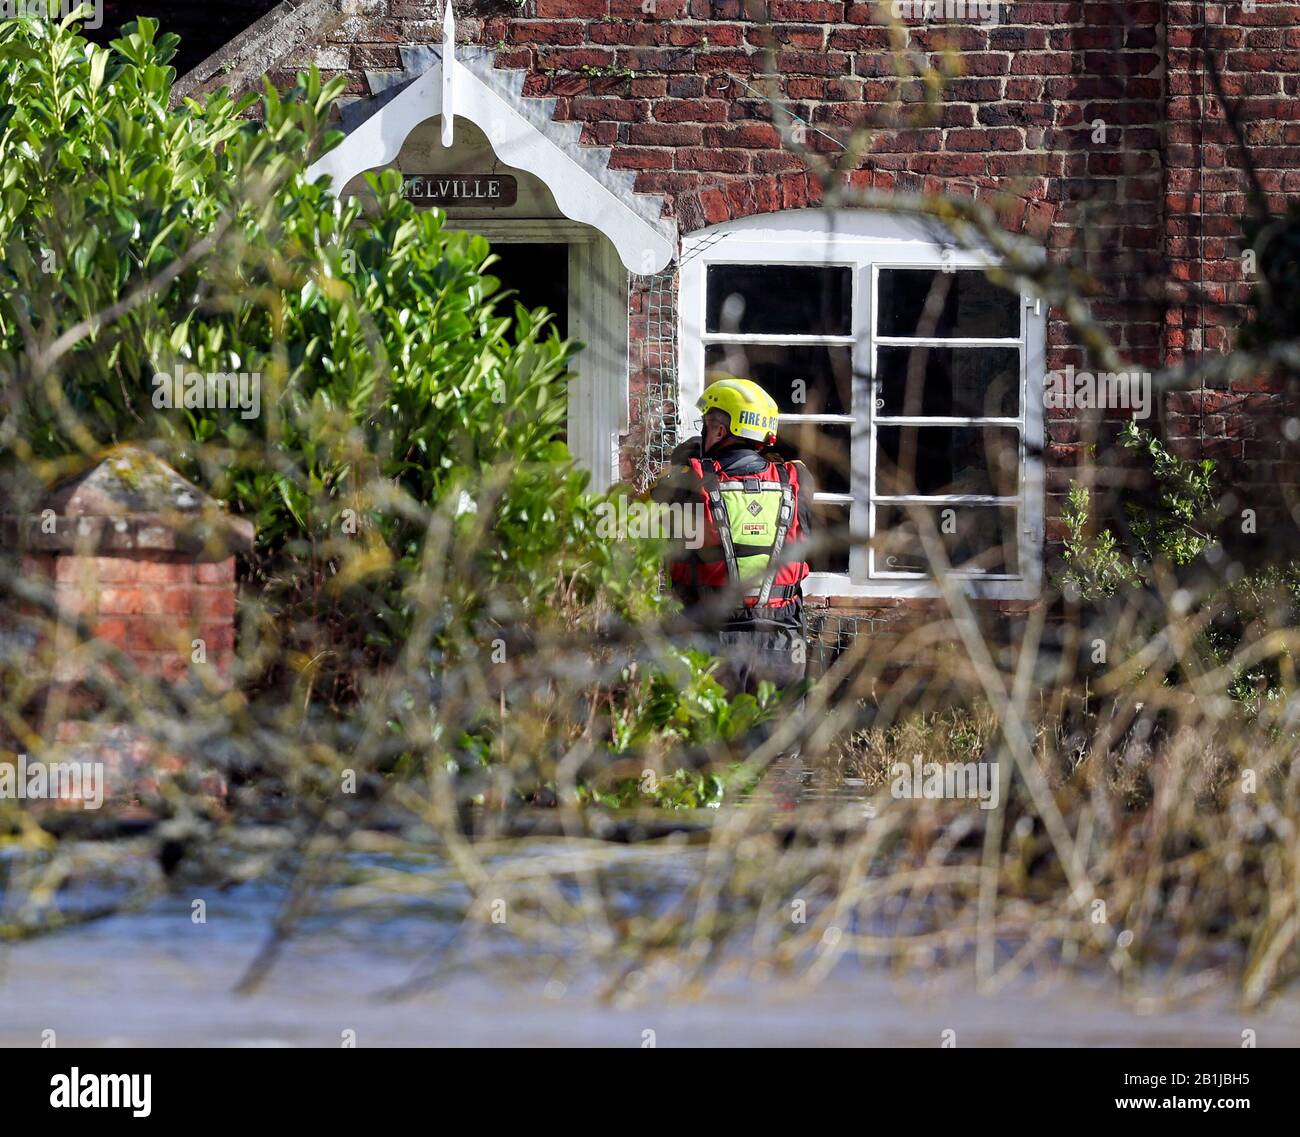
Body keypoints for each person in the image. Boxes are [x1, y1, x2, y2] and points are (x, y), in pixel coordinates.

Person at [650, 374, 815, 706]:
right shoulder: (797, 480)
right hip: (783, 640)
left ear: (720, 430)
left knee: (710, 749)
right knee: (780, 747)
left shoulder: (686, 484)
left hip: (711, 640)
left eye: (707, 423)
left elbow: (654, 542)